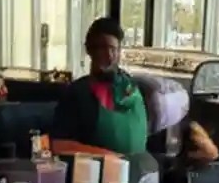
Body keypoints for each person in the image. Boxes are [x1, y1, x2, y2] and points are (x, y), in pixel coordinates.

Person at [50, 17, 149, 157]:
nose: (109, 56)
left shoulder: (131, 87)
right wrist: (110, 158)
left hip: (140, 172)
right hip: (95, 173)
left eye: (114, 49)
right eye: (103, 48)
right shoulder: (77, 94)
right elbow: (59, 145)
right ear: (89, 50)